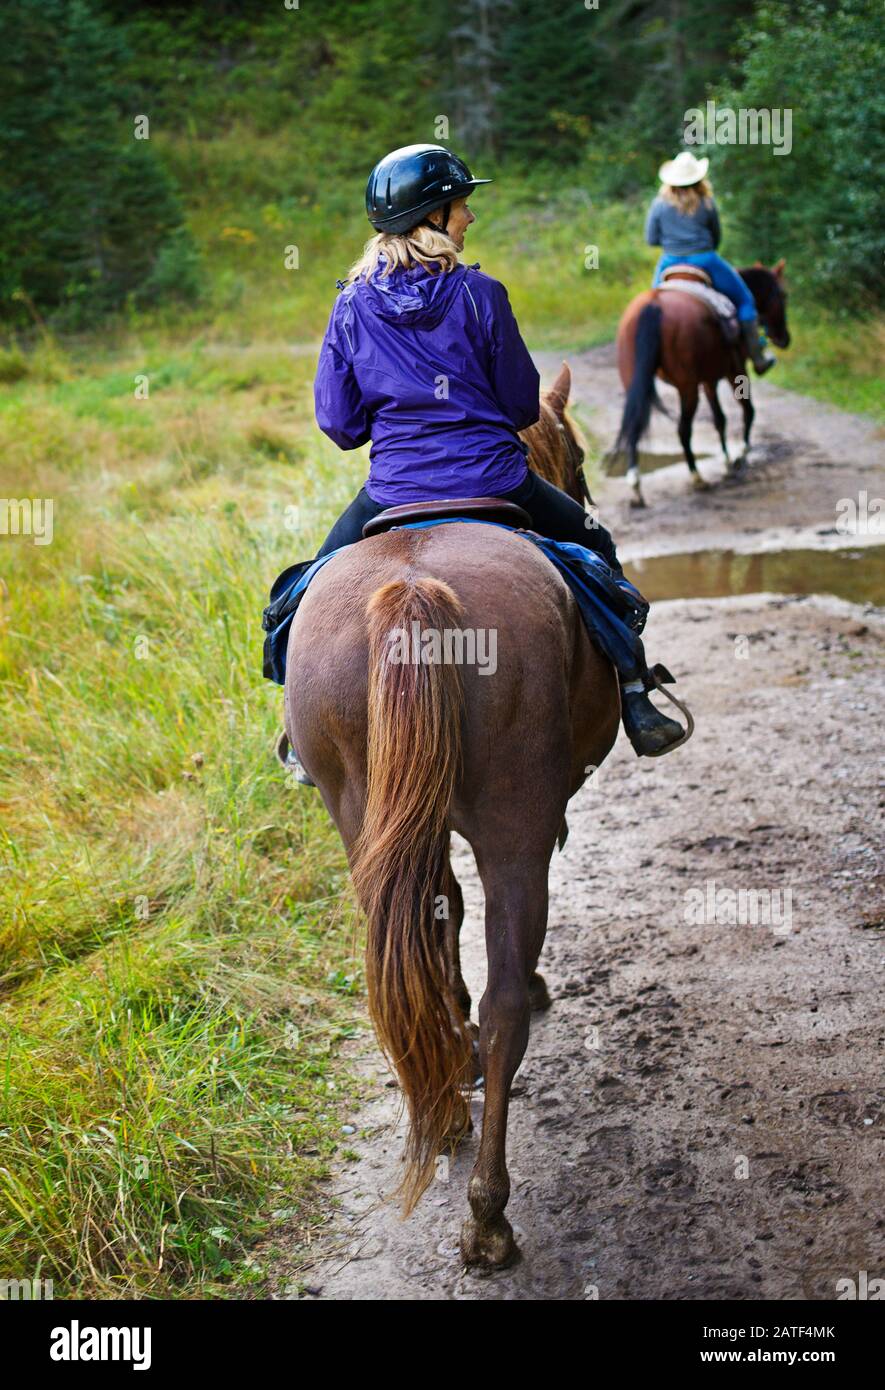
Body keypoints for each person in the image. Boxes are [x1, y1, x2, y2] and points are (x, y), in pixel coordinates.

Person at [296, 143, 685, 776]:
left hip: (394, 493)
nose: (470, 217)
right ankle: (638, 696)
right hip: (498, 483)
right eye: (462, 205)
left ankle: (299, 735)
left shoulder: (350, 305)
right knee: (602, 555)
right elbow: (521, 406)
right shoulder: (481, 294)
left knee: (307, 593)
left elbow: (339, 426)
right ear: (435, 217)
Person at [645, 150, 776, 374]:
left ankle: (651, 362)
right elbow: (716, 237)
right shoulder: (706, 203)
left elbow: (651, 239)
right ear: (698, 180)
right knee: (745, 300)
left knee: (652, 307)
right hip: (705, 259)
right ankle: (757, 356)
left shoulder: (659, 204)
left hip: (670, 261)